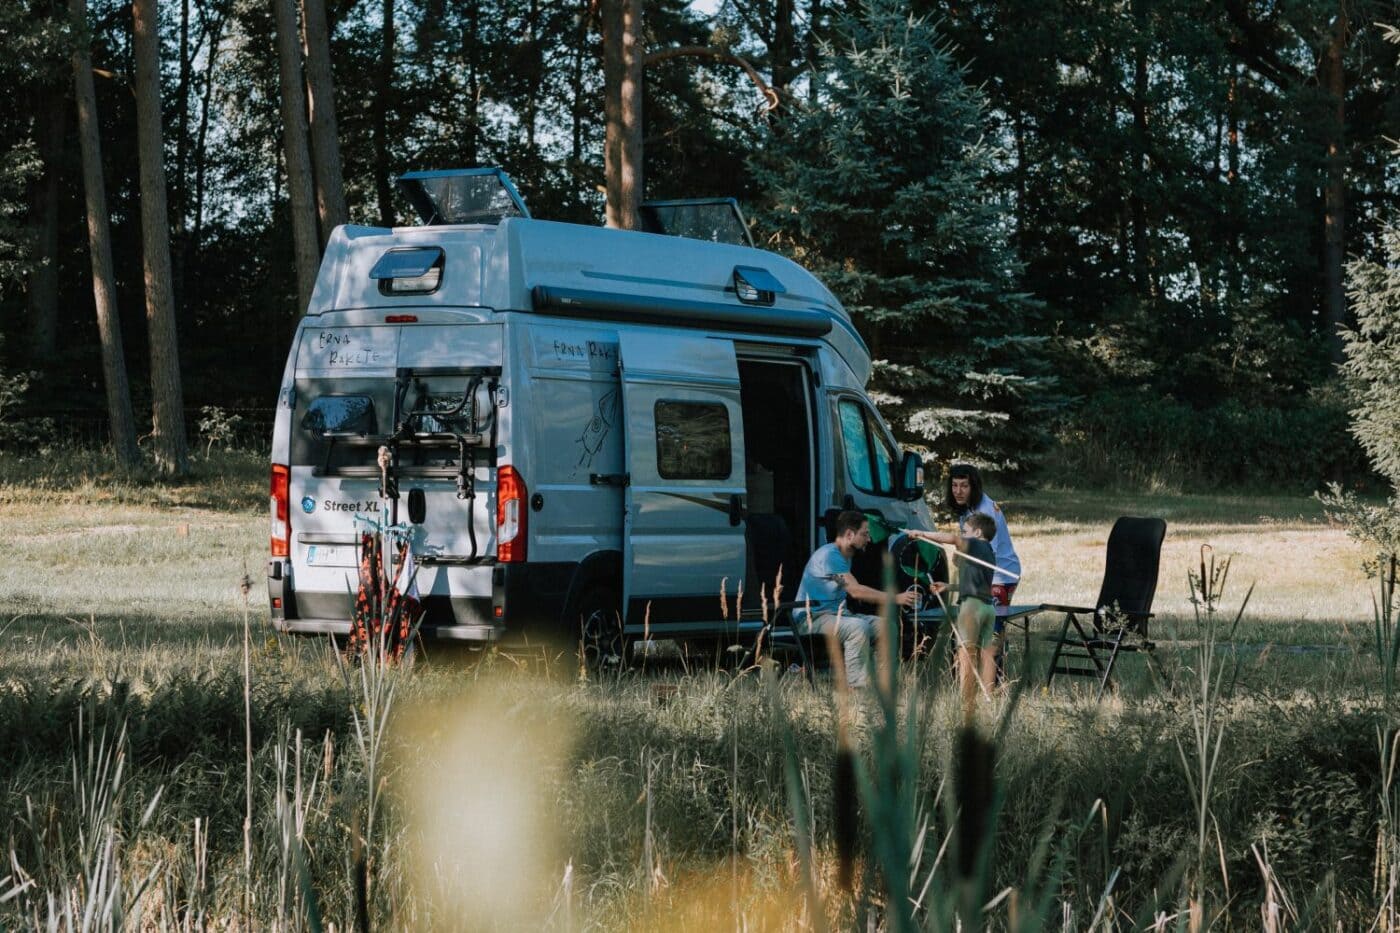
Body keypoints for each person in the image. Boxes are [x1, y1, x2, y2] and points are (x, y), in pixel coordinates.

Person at [794, 510, 918, 689]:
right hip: (812, 618)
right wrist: (896, 598)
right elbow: (856, 591)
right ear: (850, 534)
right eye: (865, 534)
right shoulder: (830, 556)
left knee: (887, 626)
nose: (869, 539)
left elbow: (841, 584)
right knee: (857, 628)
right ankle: (858, 687)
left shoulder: (843, 556)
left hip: (837, 614)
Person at [906, 512, 1000, 714]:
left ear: (977, 532)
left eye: (965, 531)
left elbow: (953, 540)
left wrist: (920, 532)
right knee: (985, 654)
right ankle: (988, 696)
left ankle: (966, 702)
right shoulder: (989, 551)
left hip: (971, 608)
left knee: (966, 653)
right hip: (988, 607)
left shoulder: (974, 543)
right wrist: (948, 587)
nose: (962, 535)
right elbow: (974, 584)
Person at [945, 464, 1022, 672]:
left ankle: (993, 681)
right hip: (982, 573)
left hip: (1000, 575)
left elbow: (986, 552)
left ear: (974, 486)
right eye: (954, 485)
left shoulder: (985, 511)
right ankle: (970, 674)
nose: (958, 491)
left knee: (991, 628)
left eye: (964, 486)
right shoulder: (968, 509)